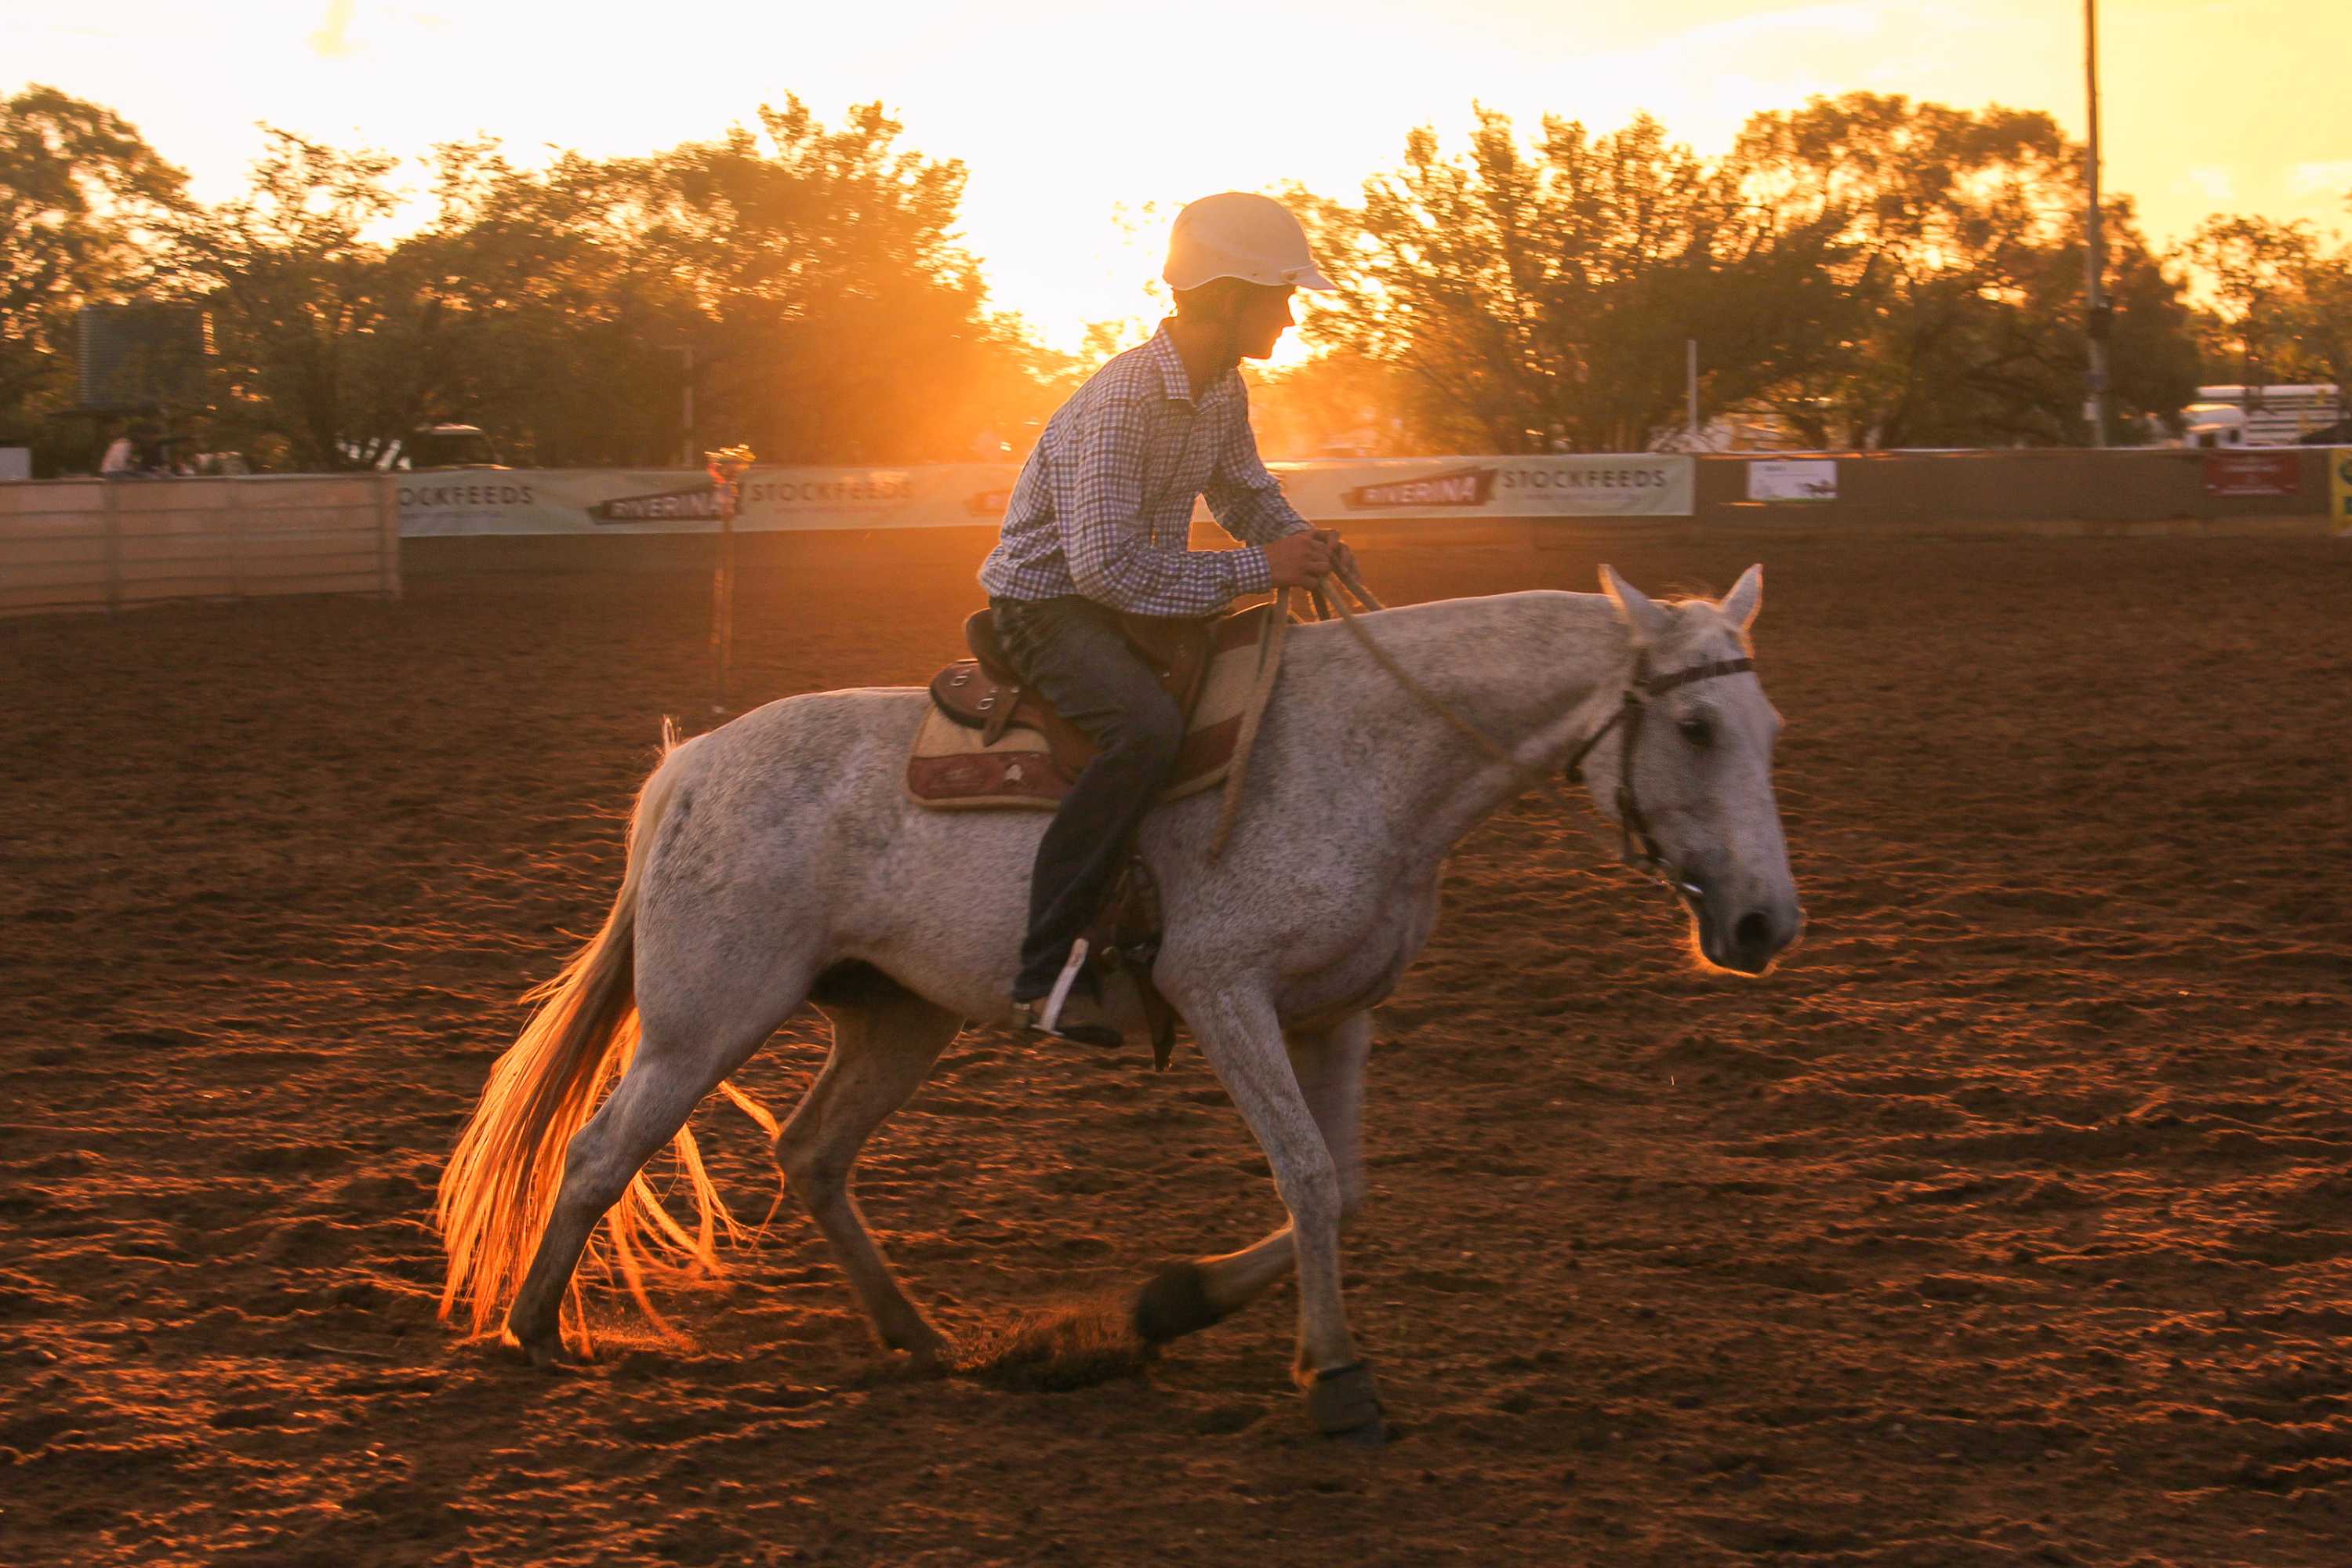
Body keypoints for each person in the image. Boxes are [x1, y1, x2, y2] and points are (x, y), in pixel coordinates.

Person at [978, 191, 1348, 1036]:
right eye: (1280, 296)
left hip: (1123, 592)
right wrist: (1262, 566)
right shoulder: (1122, 402)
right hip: (1048, 604)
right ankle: (1043, 971)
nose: (1292, 316)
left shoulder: (1221, 389)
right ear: (1228, 298)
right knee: (1143, 729)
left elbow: (1244, 490)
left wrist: (1299, 541)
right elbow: (1103, 568)